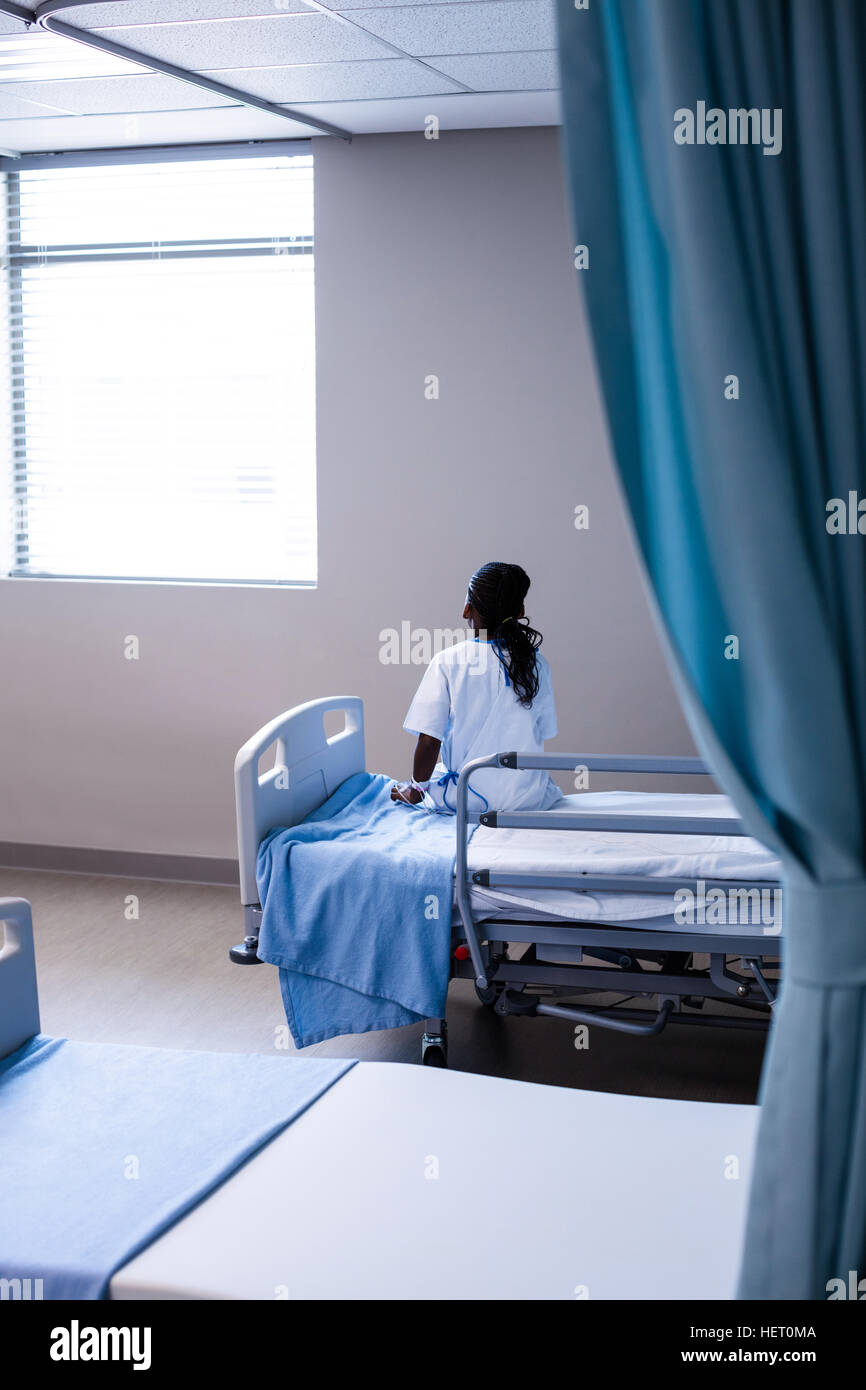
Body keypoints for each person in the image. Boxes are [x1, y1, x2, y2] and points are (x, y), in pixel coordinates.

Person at [392, 561, 561, 814]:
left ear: (468, 610)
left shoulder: (448, 662)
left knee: (441, 778)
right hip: (527, 799)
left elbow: (429, 740)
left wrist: (416, 789)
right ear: (521, 609)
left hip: (470, 801)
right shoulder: (536, 662)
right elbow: (544, 730)